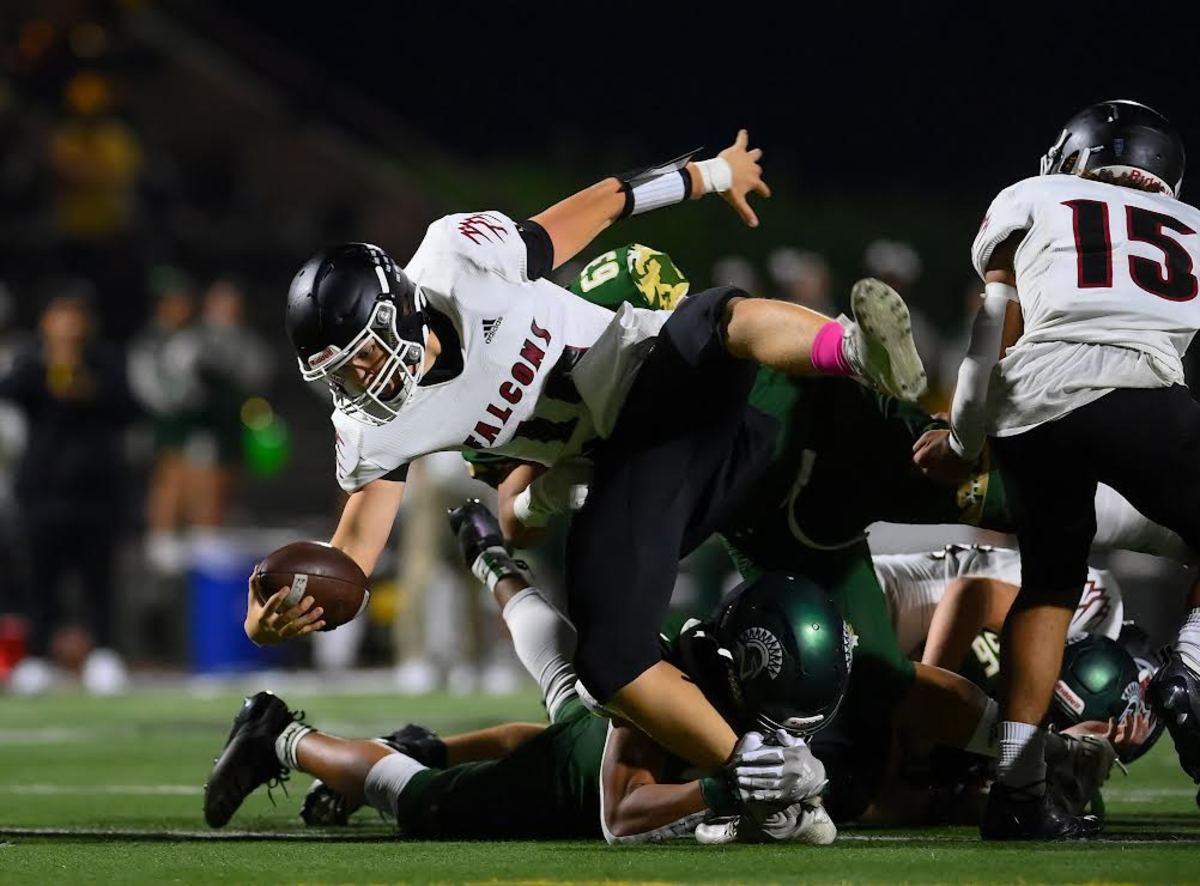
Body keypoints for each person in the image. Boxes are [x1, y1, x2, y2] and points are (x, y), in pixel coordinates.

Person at [248, 131, 928, 777]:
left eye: (363, 356)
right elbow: (352, 556)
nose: (359, 381)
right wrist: (266, 619)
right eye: (339, 374)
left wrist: (712, 173)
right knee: (602, 651)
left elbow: (604, 202)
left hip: (646, 372)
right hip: (619, 470)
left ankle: (851, 350)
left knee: (713, 319)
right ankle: (763, 776)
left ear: (398, 307)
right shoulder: (374, 424)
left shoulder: (461, 259)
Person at [488, 241, 1187, 824]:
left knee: (1016, 500)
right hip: (791, 494)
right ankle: (1039, 756)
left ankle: (1165, 547)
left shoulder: (671, 359)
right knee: (878, 680)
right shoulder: (585, 389)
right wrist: (551, 487)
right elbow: (516, 508)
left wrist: (549, 494)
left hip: (809, 458)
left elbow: (744, 327)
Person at [206, 502, 846, 844]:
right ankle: (280, 734)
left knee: (557, 691)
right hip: (581, 782)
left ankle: (490, 563)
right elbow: (622, 816)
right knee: (426, 803)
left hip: (582, 731)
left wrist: (803, 781)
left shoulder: (738, 668)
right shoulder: (668, 687)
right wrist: (724, 793)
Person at [915, 99, 1200, 838]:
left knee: (1048, 584)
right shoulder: (1190, 224)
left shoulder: (1033, 195)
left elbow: (991, 328)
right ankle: (1190, 675)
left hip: (1032, 406)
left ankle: (1017, 792)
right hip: (1143, 394)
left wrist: (962, 440)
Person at [0, 286, 139, 695]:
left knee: (99, 579)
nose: (68, 326)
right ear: (46, 322)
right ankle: (37, 657)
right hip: (43, 492)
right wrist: (49, 365)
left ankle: (105, 654)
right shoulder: (30, 360)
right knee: (41, 579)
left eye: (75, 316)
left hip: (96, 492)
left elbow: (129, 409)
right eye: (61, 316)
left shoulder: (107, 361)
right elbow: (11, 390)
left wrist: (89, 387)